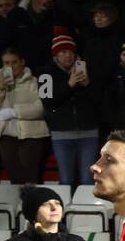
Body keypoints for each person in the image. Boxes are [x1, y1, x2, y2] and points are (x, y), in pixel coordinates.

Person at [40, 28, 98, 186]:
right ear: (55, 55)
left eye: (70, 51)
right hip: (62, 134)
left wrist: (87, 85)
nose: (68, 55)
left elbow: (100, 99)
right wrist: (69, 85)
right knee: (66, 180)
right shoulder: (46, 73)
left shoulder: (88, 69)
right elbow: (47, 101)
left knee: (88, 180)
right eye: (63, 52)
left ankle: (85, 210)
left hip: (88, 133)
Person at [0, 46, 49, 181]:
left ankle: (32, 202)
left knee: (30, 176)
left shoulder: (37, 81)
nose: (10, 66)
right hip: (6, 135)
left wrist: (14, 112)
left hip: (31, 135)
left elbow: (42, 108)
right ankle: (18, 202)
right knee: (14, 178)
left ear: (22, 62)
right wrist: (0, 89)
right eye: (6, 63)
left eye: (14, 62)